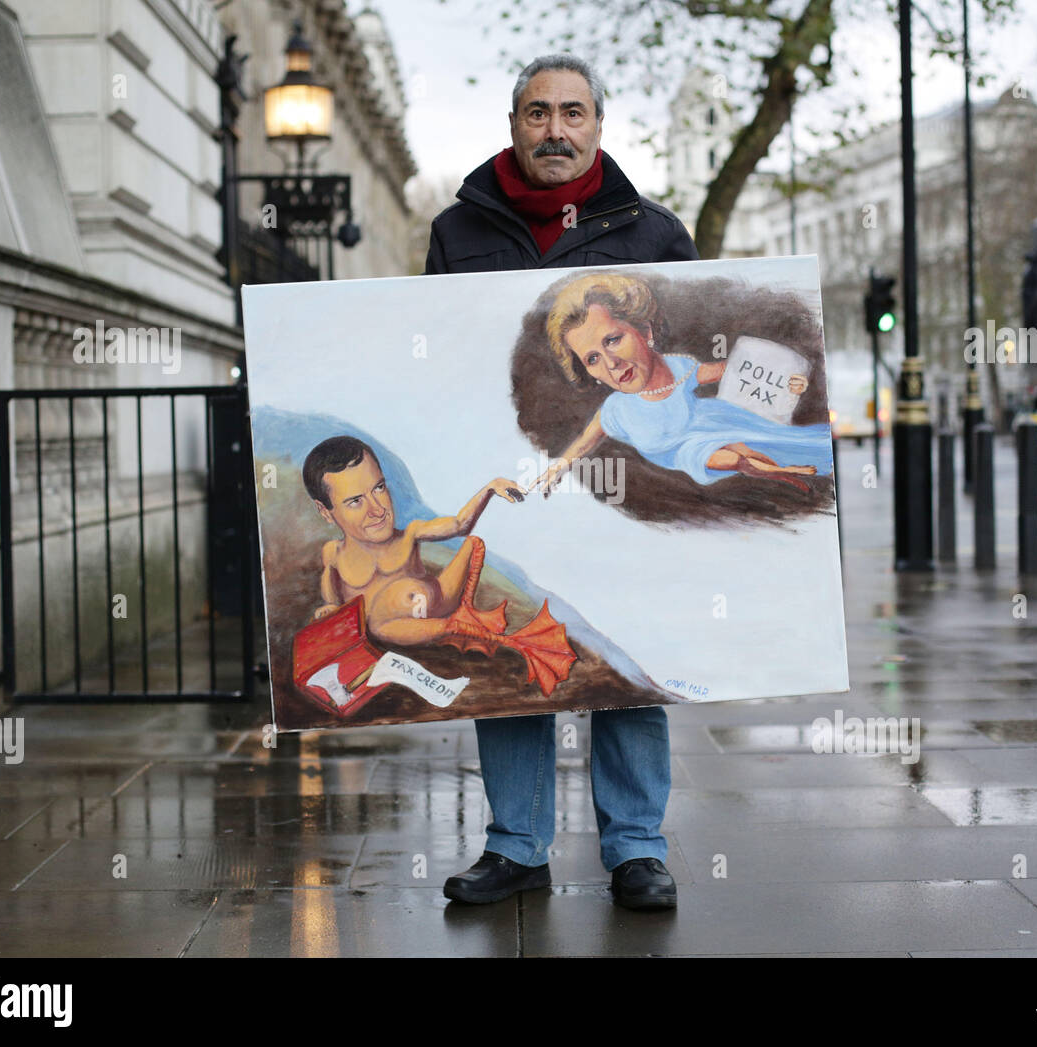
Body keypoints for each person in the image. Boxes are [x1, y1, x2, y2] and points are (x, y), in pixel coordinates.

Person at [424, 54, 698, 910]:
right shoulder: (457, 232)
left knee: (625, 656)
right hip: (512, 477)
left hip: (624, 487)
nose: (556, 129)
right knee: (513, 644)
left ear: (598, 126)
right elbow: (431, 347)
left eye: (572, 113)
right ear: (514, 125)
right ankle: (516, 846)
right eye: (538, 113)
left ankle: (637, 849)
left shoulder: (655, 235)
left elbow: (682, 362)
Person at [302, 436, 575, 695]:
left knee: (474, 544)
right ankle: (462, 626)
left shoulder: (410, 534)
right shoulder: (333, 554)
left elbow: (459, 526)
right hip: (390, 627)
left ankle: (468, 616)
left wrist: (489, 489)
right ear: (325, 511)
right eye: (355, 501)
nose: (377, 509)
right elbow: (332, 599)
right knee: (380, 624)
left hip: (440, 602)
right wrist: (329, 607)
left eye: (379, 488)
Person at [533, 272, 832, 496]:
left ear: (644, 330)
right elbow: (585, 441)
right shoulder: (616, 410)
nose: (611, 363)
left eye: (613, 340)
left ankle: (784, 470)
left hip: (707, 428)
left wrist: (786, 380)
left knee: (741, 449)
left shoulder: (680, 370)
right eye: (593, 359)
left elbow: (732, 370)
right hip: (686, 453)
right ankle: (783, 473)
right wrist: (558, 467)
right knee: (728, 459)